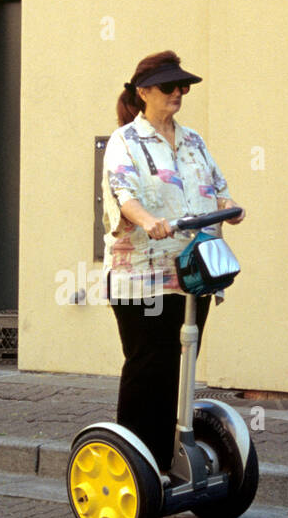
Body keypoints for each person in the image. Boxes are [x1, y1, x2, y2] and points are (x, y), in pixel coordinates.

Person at [101, 50, 245, 472]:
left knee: (180, 369)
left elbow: (219, 187)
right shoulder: (125, 140)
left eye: (183, 86)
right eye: (169, 86)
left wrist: (231, 206)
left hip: (195, 273)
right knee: (149, 370)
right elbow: (122, 194)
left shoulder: (193, 140)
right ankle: (137, 466)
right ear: (143, 91)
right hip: (143, 276)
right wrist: (149, 221)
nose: (178, 93)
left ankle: (168, 461)